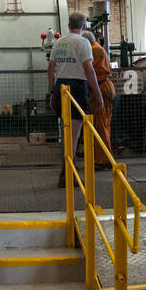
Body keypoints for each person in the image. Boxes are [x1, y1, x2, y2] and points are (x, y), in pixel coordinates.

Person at [47, 12, 104, 187]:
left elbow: (50, 70)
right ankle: (67, 175)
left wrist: (52, 93)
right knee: (74, 134)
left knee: (67, 132)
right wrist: (98, 94)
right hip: (77, 88)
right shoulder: (83, 42)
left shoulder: (59, 42)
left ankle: (68, 172)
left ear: (69, 25)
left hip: (61, 87)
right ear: (84, 26)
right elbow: (89, 70)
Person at [84, 29, 115, 167]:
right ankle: (103, 157)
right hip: (103, 87)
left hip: (101, 88)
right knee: (102, 124)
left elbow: (88, 69)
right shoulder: (97, 48)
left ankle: (104, 160)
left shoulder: (94, 50)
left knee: (101, 125)